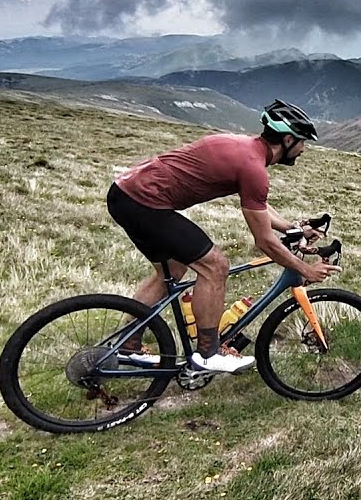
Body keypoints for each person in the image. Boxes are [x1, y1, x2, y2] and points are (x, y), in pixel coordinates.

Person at [106, 100, 340, 373]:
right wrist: (305, 269)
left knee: (173, 269)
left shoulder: (244, 148)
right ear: (288, 140)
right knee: (215, 266)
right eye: (302, 142)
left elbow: (258, 207)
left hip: (124, 194)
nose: (303, 149)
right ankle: (208, 354)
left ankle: (128, 345)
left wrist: (291, 228)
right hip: (145, 203)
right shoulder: (253, 167)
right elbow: (264, 241)